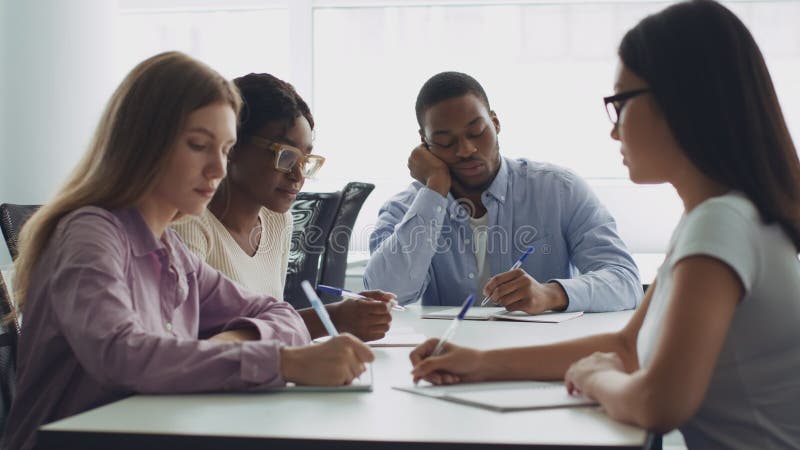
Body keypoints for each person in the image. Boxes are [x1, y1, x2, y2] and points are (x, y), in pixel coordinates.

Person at [409, 1, 800, 448]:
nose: (614, 131)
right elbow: (627, 349)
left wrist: (593, 378)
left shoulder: (719, 224)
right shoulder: (712, 216)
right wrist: (478, 362)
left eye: (620, 103)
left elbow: (658, 402)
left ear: (680, 103)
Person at [4, 52, 373, 450]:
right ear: (144, 143)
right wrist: (281, 361)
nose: (218, 168)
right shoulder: (89, 235)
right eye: (199, 145)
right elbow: (123, 356)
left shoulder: (170, 251)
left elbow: (280, 313)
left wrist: (237, 342)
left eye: (226, 149)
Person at [364, 71, 641, 313]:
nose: (466, 150)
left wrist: (551, 294)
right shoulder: (405, 210)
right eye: (446, 142)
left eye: (477, 132)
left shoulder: (558, 190)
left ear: (495, 123)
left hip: (541, 355)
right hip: (450, 361)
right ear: (425, 145)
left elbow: (625, 281)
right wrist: (435, 187)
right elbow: (384, 295)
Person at [172, 73, 395, 342]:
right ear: (233, 145)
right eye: (286, 155)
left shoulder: (277, 220)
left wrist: (338, 317)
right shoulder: (187, 225)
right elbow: (189, 345)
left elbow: (270, 324)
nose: (298, 175)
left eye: (306, 159)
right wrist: (332, 318)